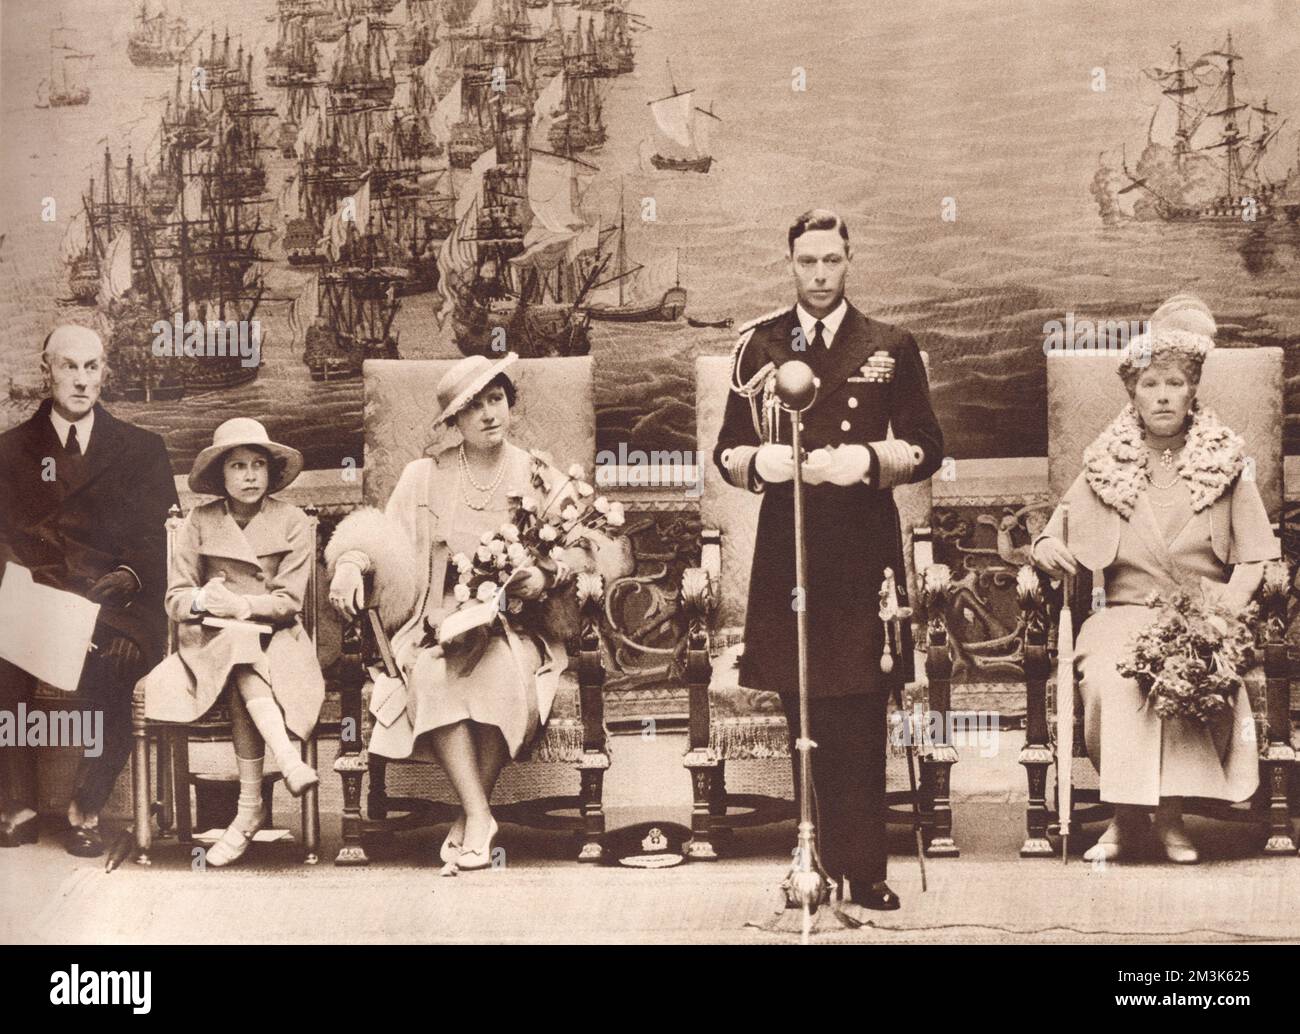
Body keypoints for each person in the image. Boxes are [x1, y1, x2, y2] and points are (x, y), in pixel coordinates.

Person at [712, 209, 944, 911]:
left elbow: (930, 445)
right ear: (790, 263)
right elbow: (724, 450)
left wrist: (868, 460)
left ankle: (865, 869)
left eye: (831, 261)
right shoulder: (759, 345)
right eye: (807, 261)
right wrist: (762, 462)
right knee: (803, 707)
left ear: (849, 261)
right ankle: (809, 859)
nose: (819, 275)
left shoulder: (889, 344)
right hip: (790, 548)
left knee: (863, 706)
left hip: (862, 546)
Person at [325, 353, 607, 872]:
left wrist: (544, 577)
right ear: (454, 422)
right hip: (437, 618)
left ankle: (472, 817)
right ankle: (479, 813)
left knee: (500, 671)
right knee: (433, 673)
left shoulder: (537, 473)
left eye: (495, 400)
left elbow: (589, 548)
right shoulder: (423, 476)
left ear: (510, 404)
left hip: (518, 624)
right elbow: (381, 539)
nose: (487, 414)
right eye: (472, 408)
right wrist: (349, 560)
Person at [1031, 294, 1277, 864]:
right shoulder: (1104, 463)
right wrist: (1046, 550)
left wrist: (1224, 613)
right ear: (1133, 394)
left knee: (1188, 665)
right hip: (1122, 613)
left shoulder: (1227, 463)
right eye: (1149, 385)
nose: (1162, 395)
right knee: (1116, 673)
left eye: (1173, 383)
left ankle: (1170, 821)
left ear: (1192, 391)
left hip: (1203, 611)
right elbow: (1051, 534)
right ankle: (1123, 818)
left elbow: (1259, 557)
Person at [0, 324, 178, 856]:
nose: (81, 380)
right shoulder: (9, 450)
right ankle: (17, 803)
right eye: (69, 366)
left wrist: (131, 576)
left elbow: (164, 535)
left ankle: (87, 804)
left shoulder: (142, 449)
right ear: (46, 371)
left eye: (91, 367)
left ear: (105, 372)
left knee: (120, 660)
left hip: (117, 603)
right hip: (36, 597)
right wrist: (21, 583)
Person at [139, 418, 325, 867]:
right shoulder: (200, 522)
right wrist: (204, 597)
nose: (249, 475)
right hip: (206, 642)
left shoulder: (293, 522)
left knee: (247, 653)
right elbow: (176, 597)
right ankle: (283, 762)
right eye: (237, 466)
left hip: (278, 639)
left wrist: (241, 607)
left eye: (258, 465)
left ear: (271, 472)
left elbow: (288, 602)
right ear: (220, 476)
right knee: (239, 648)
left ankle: (248, 811)